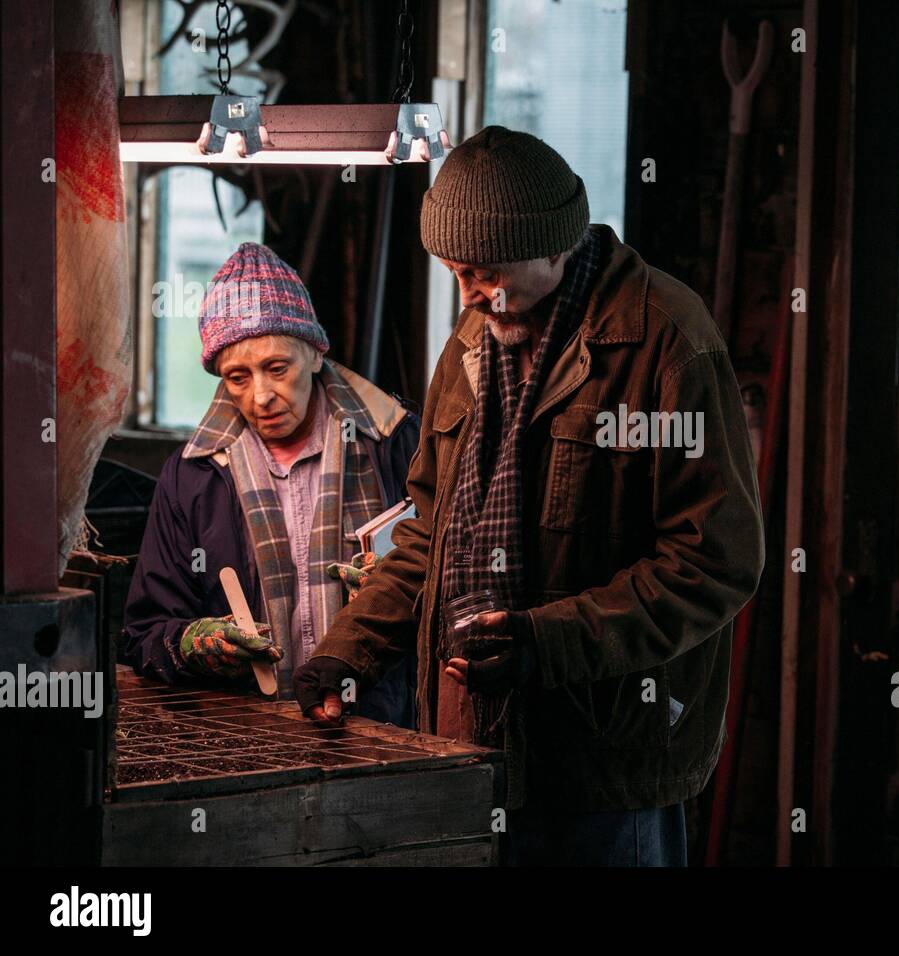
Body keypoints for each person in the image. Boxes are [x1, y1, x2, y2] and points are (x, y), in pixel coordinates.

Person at [294, 126, 765, 865]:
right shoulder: (475, 342)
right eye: (456, 274)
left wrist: (549, 643)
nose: (472, 294)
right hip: (467, 735)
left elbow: (713, 562)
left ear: (556, 246)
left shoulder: (666, 345)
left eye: (485, 272)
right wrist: (348, 652)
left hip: (604, 757)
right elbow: (428, 533)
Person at [120, 243, 420, 726]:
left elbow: (458, 590)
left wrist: (402, 592)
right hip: (249, 736)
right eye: (237, 377)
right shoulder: (193, 474)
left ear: (316, 352)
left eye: (277, 368)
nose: (261, 396)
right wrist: (194, 644)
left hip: (388, 729)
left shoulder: (398, 444)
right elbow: (144, 632)